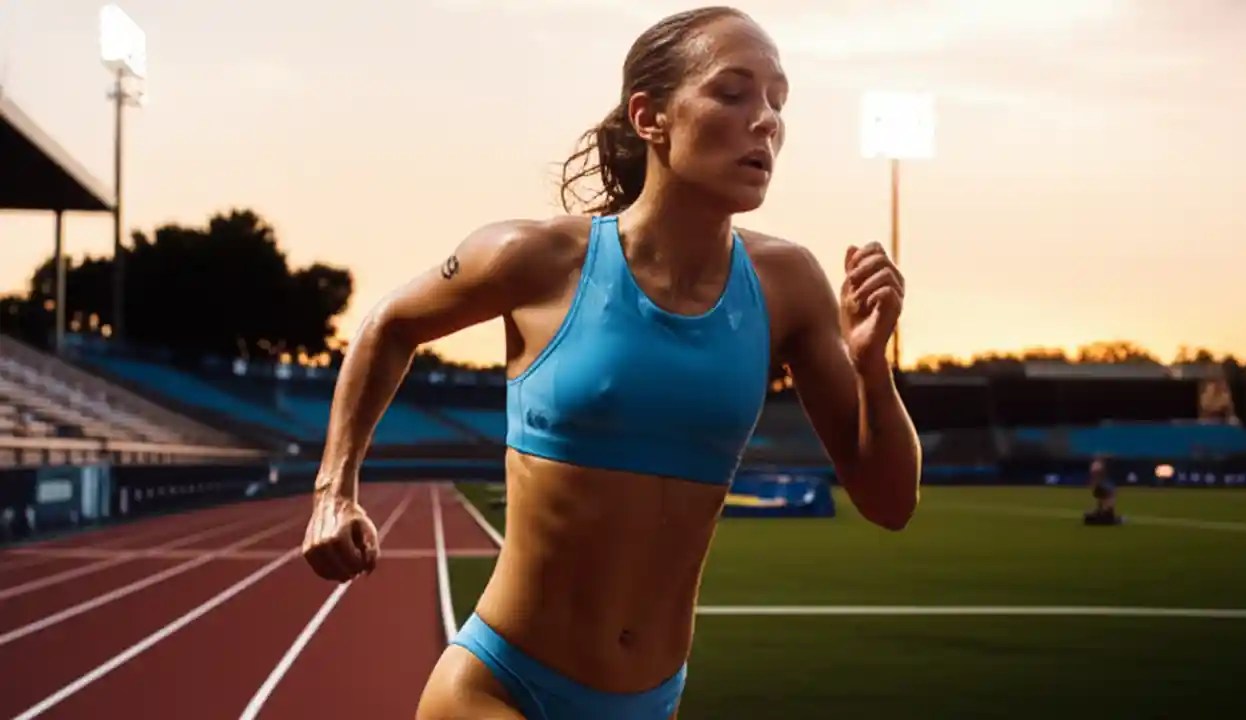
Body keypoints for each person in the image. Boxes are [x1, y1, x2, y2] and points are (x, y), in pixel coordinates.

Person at [301, 6, 922, 718]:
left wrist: (871, 367)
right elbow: (389, 324)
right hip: (499, 685)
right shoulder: (536, 258)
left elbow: (890, 504)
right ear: (649, 117)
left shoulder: (789, 285)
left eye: (778, 102)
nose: (766, 121)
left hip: (650, 702)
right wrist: (334, 490)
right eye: (732, 93)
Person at [1083, 455, 1122, 525]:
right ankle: (1106, 513)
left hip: (1099, 485)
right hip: (1100, 484)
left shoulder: (1096, 465)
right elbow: (1098, 475)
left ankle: (1102, 512)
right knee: (1107, 497)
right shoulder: (1098, 465)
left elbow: (1095, 475)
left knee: (1104, 498)